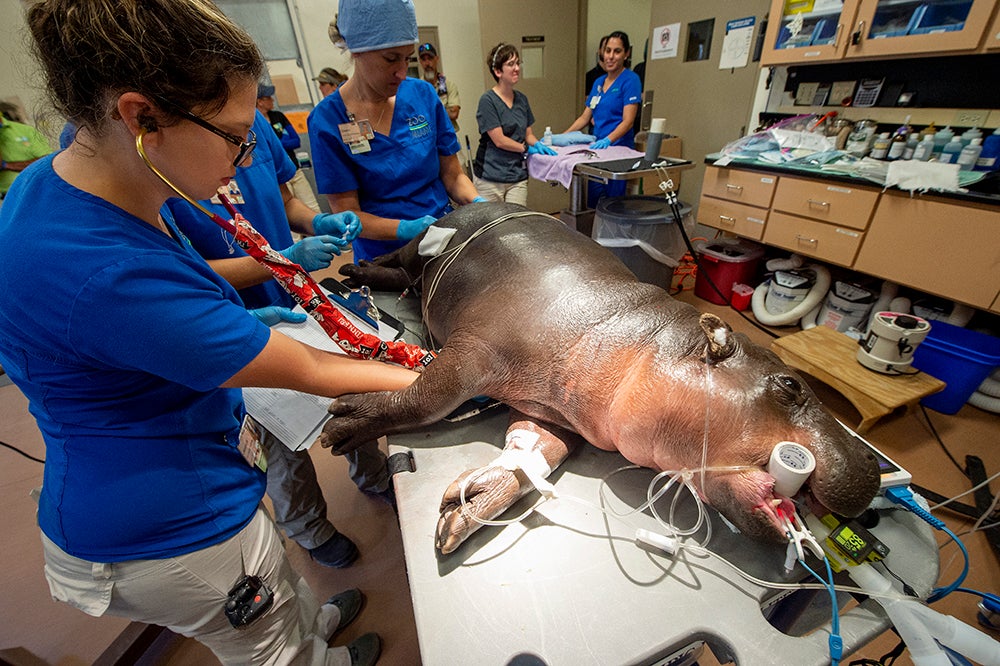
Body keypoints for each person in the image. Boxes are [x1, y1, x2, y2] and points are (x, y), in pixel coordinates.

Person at [0, 1, 426, 663]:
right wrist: (436, 373)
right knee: (269, 646)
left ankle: (309, 627)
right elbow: (314, 370)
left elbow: (136, 314)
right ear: (141, 117)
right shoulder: (108, 272)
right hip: (171, 522)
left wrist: (225, 311)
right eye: (233, 137)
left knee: (282, 590)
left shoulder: (65, 185)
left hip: (174, 466)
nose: (244, 157)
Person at [166, 107, 389, 571]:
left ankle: (372, 473)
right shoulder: (161, 160)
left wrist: (317, 222)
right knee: (281, 439)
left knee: (350, 396)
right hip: (233, 320)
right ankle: (308, 527)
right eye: (232, 140)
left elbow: (285, 201)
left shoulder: (254, 122)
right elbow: (180, 272)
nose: (241, 157)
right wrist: (280, 260)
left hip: (293, 299)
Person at [308, 0, 482, 263]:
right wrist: (405, 229)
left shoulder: (422, 95)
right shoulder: (327, 120)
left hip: (442, 241)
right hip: (383, 258)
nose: (402, 72)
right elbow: (348, 214)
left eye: (407, 58)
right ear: (357, 50)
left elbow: (453, 175)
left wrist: (478, 204)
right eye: (391, 59)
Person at [472, 43, 555, 205]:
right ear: (498, 71)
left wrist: (538, 145)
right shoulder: (488, 101)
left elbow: (528, 135)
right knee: (493, 220)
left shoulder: (521, 99)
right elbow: (500, 140)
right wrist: (526, 149)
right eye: (511, 64)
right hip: (490, 176)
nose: (517, 68)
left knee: (517, 218)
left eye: (518, 63)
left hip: (517, 175)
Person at [564, 30, 641, 204]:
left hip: (619, 153)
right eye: (608, 51)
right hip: (597, 152)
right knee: (593, 200)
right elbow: (585, 117)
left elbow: (628, 121)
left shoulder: (630, 80)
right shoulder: (598, 82)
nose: (611, 56)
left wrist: (608, 140)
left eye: (617, 51)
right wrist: (563, 136)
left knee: (613, 205)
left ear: (626, 54)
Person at [256, 83, 320, 213]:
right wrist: (282, 143)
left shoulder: (278, 116)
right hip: (278, 176)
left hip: (294, 169)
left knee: (313, 208)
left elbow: (296, 141)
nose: (272, 100)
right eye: (268, 98)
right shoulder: (255, 123)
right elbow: (264, 150)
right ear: (259, 101)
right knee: (290, 212)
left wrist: (277, 145)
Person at [0, 102, 52, 200]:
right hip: (7, 196)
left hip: (40, 190)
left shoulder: (25, 130)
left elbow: (48, 161)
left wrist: (8, 165)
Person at [417, 42, 461, 132]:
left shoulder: (448, 85)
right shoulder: (417, 88)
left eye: (430, 58)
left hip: (448, 135)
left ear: (436, 59)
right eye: (424, 60)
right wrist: (444, 110)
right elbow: (416, 116)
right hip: (428, 135)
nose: (427, 63)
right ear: (420, 62)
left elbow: (454, 114)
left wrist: (427, 111)